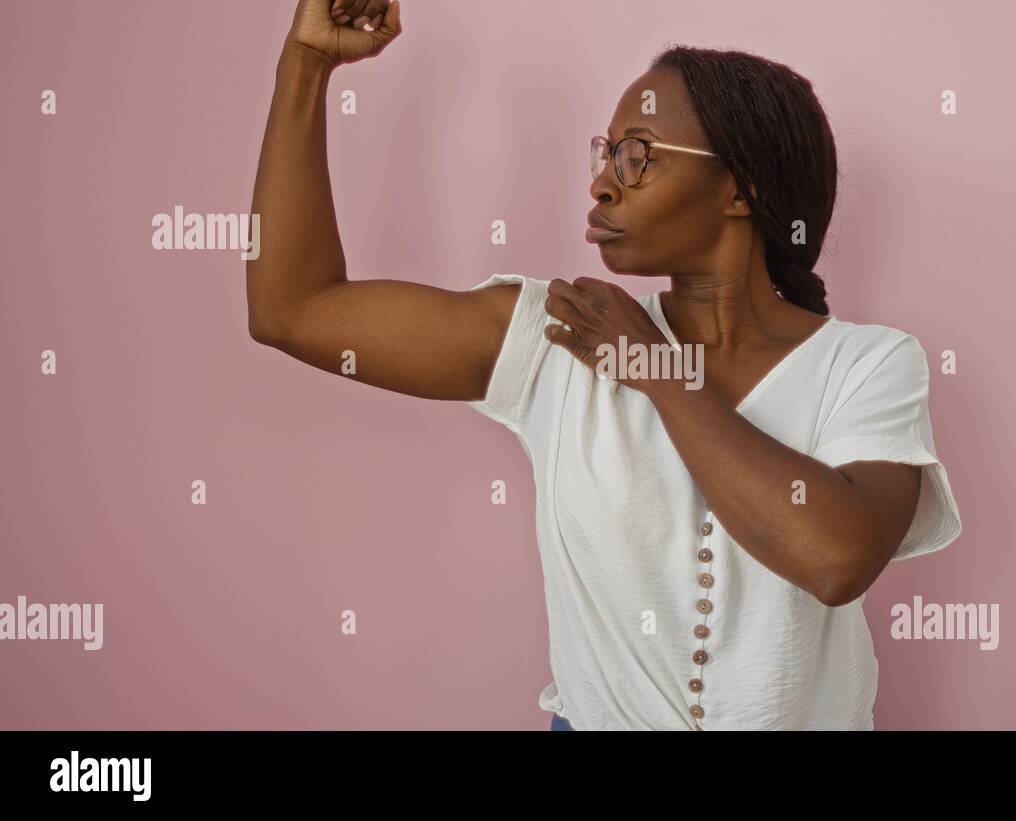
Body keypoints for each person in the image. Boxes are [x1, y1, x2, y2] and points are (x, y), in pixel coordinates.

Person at [248, 0, 963, 731]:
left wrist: (659, 370)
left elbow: (836, 557)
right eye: (605, 152)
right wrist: (305, 65)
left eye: (637, 156)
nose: (601, 183)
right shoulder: (558, 338)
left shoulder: (870, 365)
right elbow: (293, 308)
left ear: (741, 188)